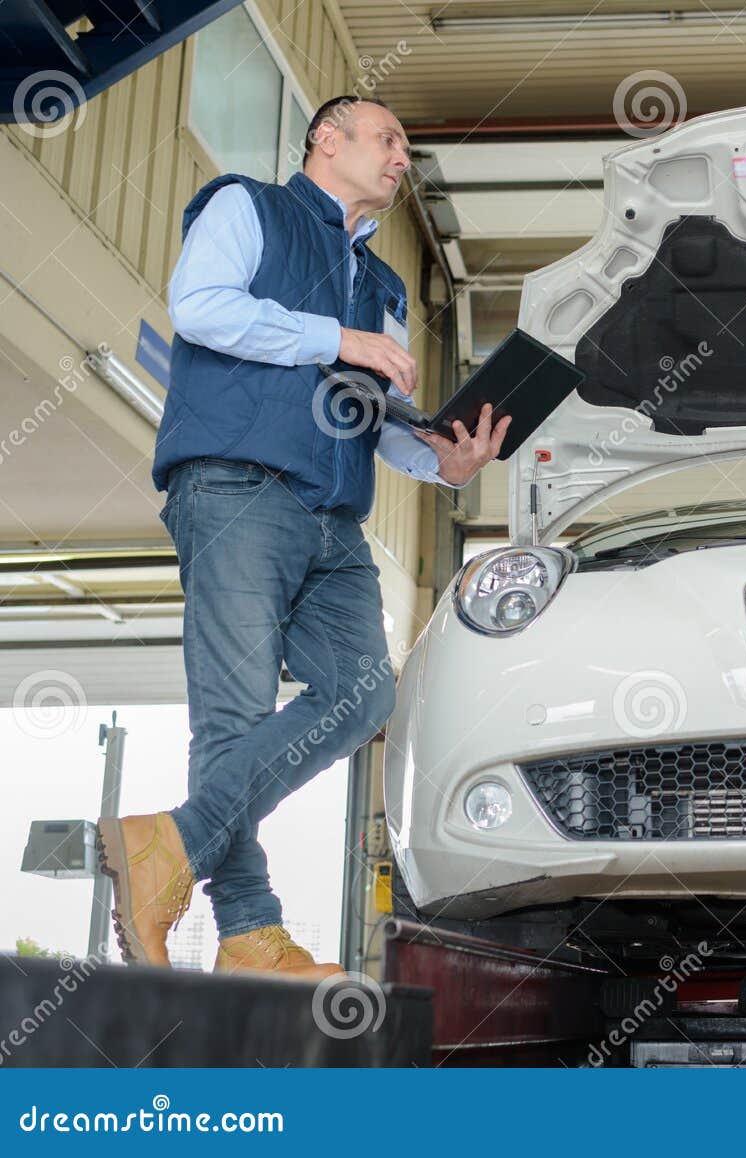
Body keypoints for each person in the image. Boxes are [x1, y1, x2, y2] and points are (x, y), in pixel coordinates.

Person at [95, 96, 509, 980]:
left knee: (363, 695)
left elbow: (377, 412)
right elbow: (201, 307)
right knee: (236, 715)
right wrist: (339, 336)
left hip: (336, 515)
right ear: (327, 137)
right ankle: (250, 934)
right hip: (236, 485)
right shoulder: (246, 205)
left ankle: (172, 842)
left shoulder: (383, 284)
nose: (401, 159)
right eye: (388, 139)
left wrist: (445, 463)